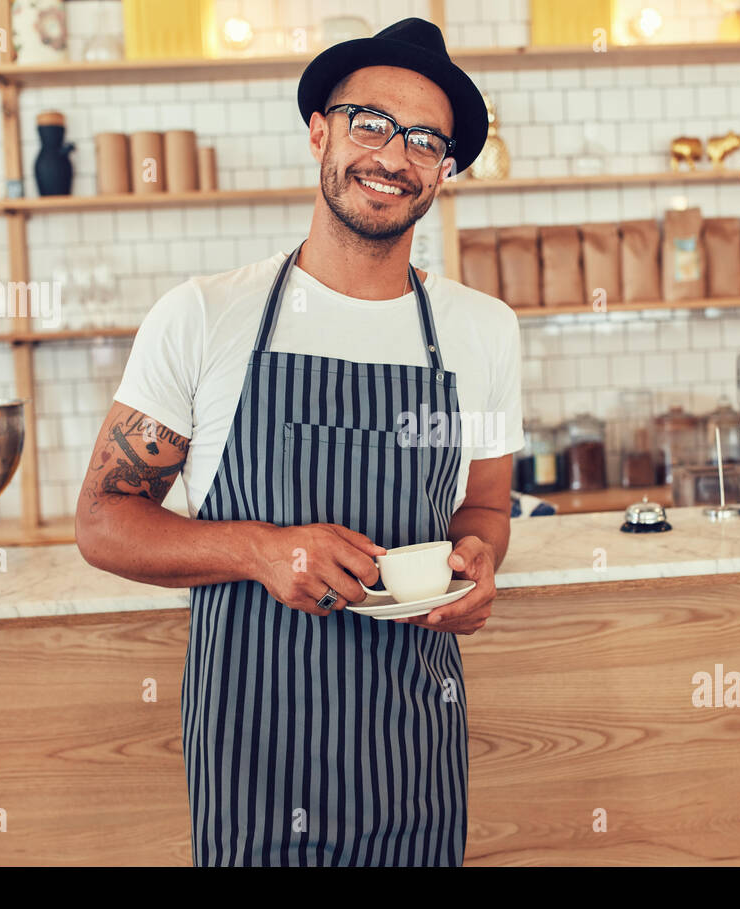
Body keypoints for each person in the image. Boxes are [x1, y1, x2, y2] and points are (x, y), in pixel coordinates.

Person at [75, 17, 524, 866]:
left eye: (427, 141)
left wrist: (480, 563)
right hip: (253, 735)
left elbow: (487, 504)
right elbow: (102, 520)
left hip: (411, 735)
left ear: (444, 172)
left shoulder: (485, 332)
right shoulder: (203, 316)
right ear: (319, 131)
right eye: (371, 123)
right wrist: (261, 552)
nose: (394, 156)